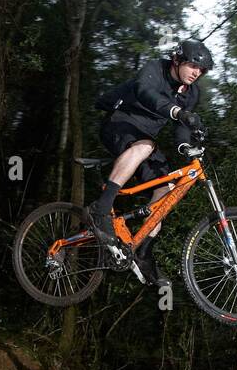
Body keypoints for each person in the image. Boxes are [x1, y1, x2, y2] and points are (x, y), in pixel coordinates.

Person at [88, 37, 214, 288]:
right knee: (145, 146)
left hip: (146, 141)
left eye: (201, 70)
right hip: (119, 124)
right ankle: (100, 208)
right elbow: (145, 93)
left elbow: (181, 131)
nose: (196, 73)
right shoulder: (154, 68)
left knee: (165, 190)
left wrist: (187, 145)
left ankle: (143, 252)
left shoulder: (191, 94)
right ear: (177, 60)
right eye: (192, 66)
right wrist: (177, 112)